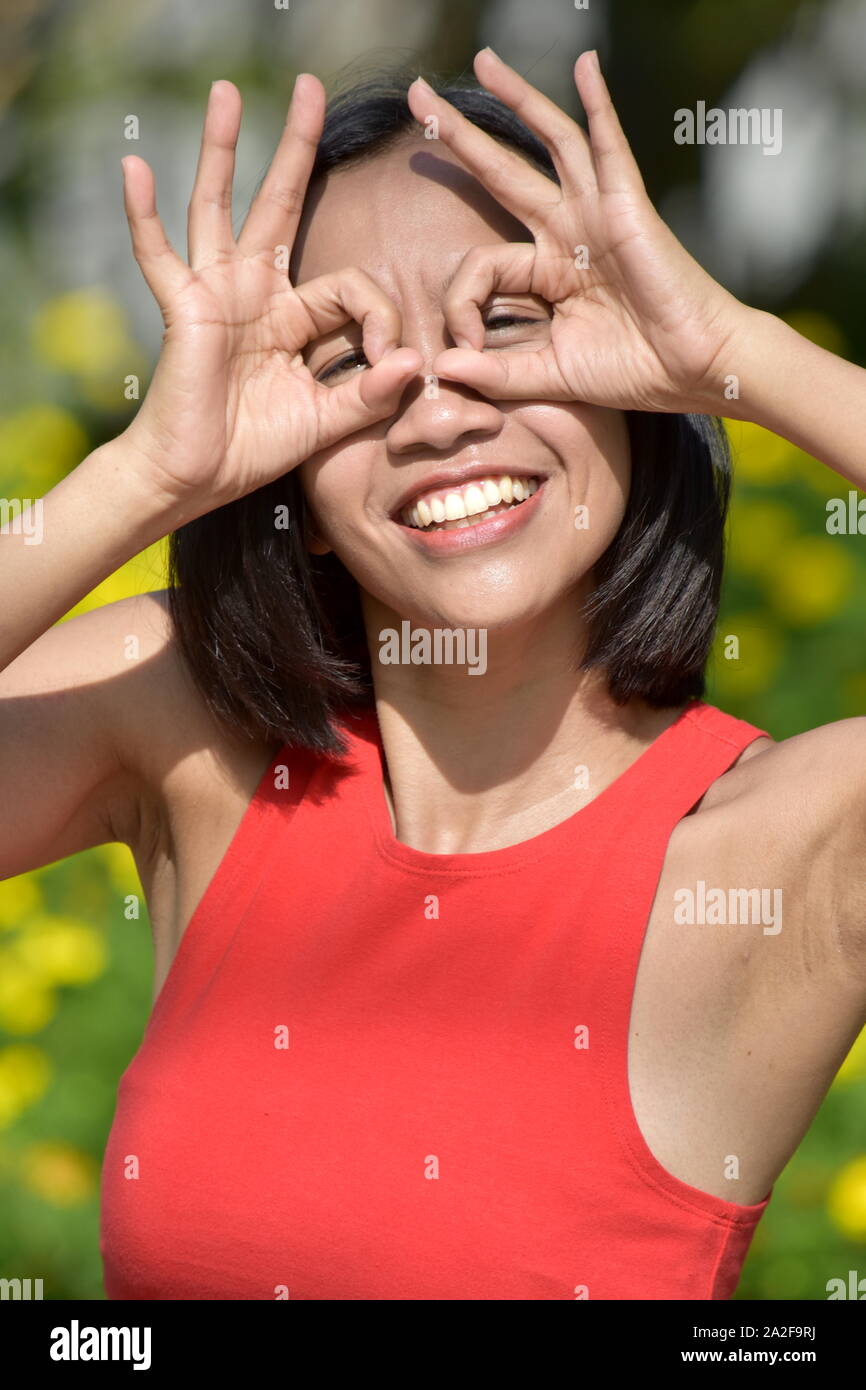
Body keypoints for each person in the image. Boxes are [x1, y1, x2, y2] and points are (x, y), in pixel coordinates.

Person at [2, 47, 865, 1301]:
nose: (437, 410)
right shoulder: (184, 722)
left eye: (504, 323)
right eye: (350, 353)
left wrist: (738, 355)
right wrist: (148, 477)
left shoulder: (786, 840)